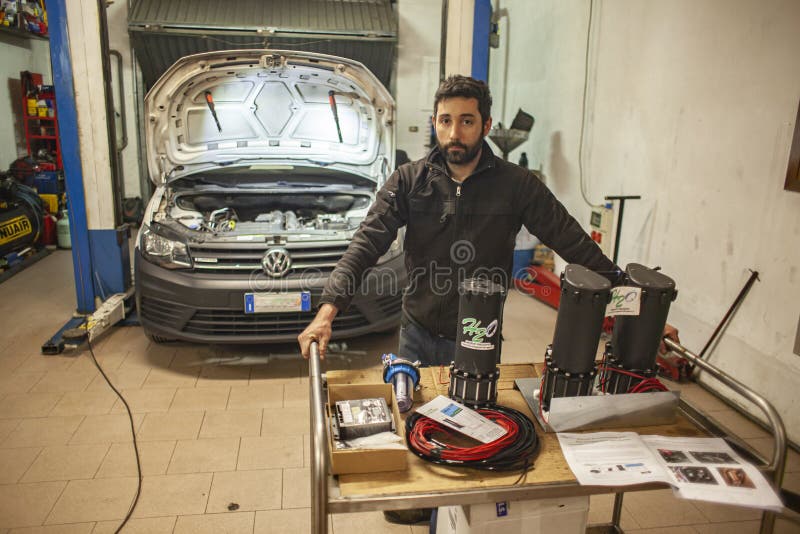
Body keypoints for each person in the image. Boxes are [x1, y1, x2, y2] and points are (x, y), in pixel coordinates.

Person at [298, 75, 678, 365]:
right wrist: (327, 312)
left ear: (486, 124)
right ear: (434, 123)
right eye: (445, 121)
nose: (454, 133)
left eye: (466, 121)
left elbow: (572, 241)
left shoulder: (517, 186)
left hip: (479, 333)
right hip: (415, 330)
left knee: (470, 425)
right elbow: (366, 243)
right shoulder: (410, 180)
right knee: (413, 420)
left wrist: (641, 309)